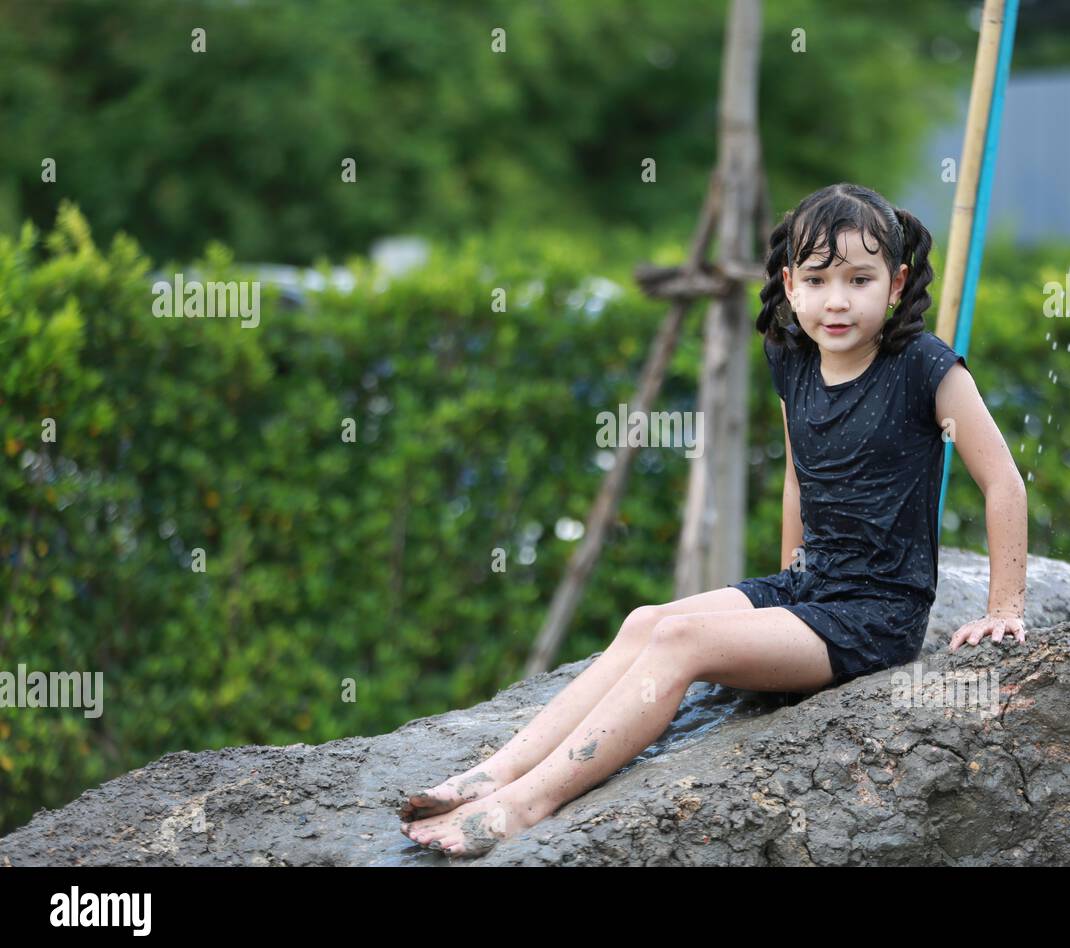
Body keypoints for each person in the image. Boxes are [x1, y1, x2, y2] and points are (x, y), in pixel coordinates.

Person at [398, 182, 1028, 857]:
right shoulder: (793, 360)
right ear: (789, 284)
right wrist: (789, 584)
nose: (836, 300)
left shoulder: (924, 368)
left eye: (859, 279)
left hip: (875, 616)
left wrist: (1005, 604)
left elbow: (1003, 482)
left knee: (682, 642)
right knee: (645, 621)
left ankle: (525, 805)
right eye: (817, 280)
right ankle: (496, 771)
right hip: (811, 590)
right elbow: (798, 477)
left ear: (897, 282)